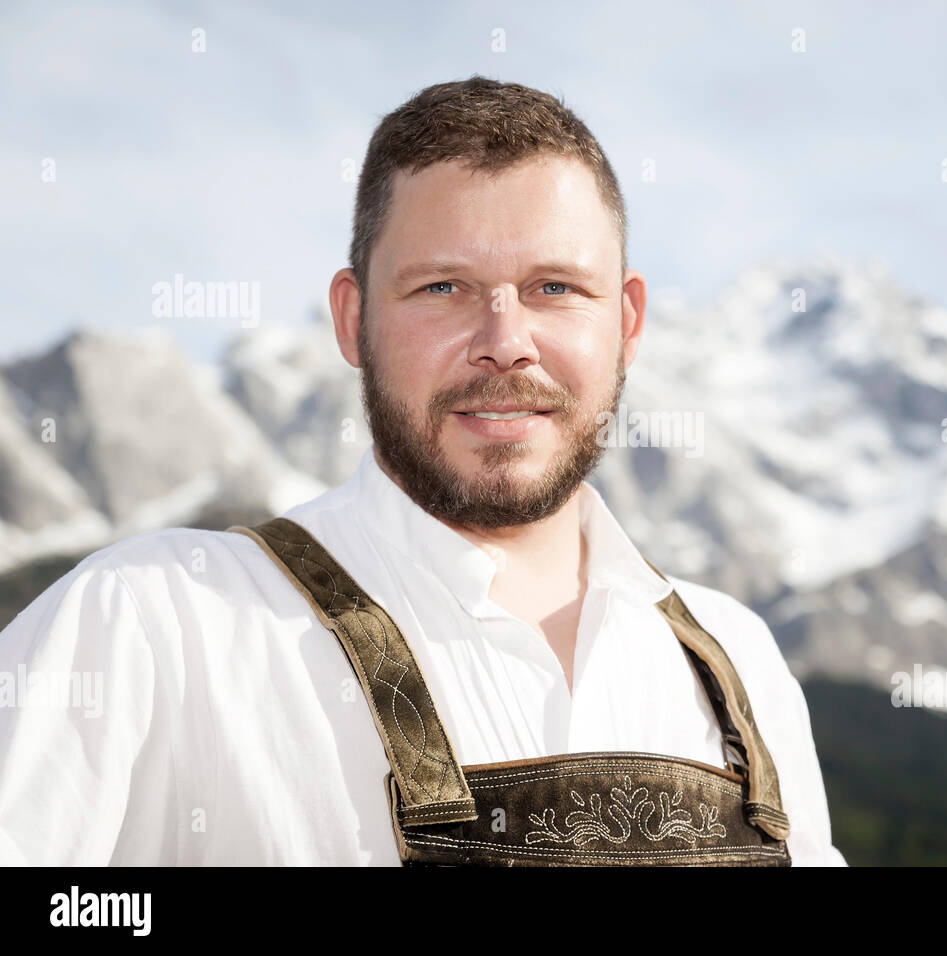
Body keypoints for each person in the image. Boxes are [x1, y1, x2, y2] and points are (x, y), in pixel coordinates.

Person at [0, 76, 846, 866]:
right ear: (353, 317)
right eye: (443, 287)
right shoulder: (149, 623)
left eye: (554, 287)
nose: (506, 340)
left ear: (625, 322)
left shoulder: (739, 663)